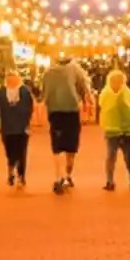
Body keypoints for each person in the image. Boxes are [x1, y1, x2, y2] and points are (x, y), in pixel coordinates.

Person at [40, 57, 90, 195]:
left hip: (54, 111)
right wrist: (87, 102)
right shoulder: (75, 69)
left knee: (57, 145)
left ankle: (59, 176)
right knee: (71, 147)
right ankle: (67, 175)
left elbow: (43, 92)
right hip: (72, 110)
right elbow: (84, 87)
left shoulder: (47, 72)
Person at [98, 70, 130, 191]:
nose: (117, 83)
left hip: (125, 130)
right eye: (115, 81)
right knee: (112, 157)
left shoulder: (123, 93)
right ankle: (110, 180)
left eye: (120, 81)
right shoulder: (109, 94)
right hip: (113, 130)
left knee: (129, 157)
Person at [0, 70, 33, 187]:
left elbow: (30, 109)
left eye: (14, 77)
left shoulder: (25, 92)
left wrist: (28, 123)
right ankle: (10, 173)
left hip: (22, 127)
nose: (11, 80)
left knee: (21, 152)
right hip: (7, 127)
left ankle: (21, 176)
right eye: (9, 78)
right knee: (9, 152)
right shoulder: (0, 93)